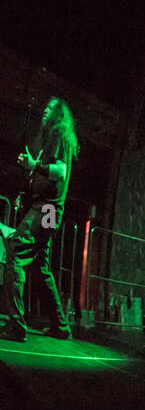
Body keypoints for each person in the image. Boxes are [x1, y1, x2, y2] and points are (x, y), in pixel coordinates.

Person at [1, 97, 77, 342]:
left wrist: (34, 165)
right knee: (41, 266)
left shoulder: (58, 134)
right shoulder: (54, 139)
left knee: (15, 248)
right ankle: (61, 325)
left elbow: (60, 172)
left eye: (49, 109)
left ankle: (16, 325)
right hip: (49, 210)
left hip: (47, 209)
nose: (45, 111)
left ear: (58, 115)